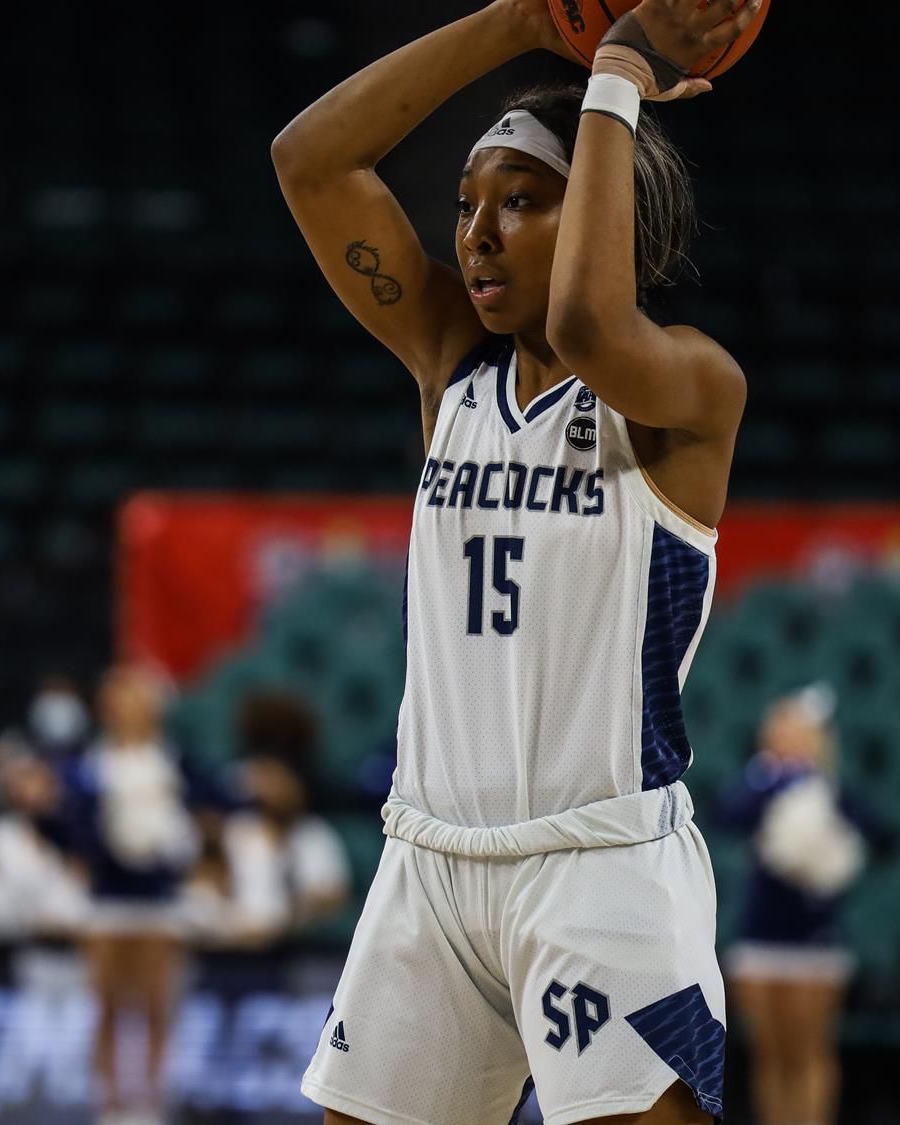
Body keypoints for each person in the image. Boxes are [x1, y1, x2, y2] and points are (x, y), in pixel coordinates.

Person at [273, 1, 758, 1120]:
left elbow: (589, 329)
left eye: (523, 202)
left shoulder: (690, 385)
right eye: (466, 205)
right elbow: (309, 162)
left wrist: (618, 72)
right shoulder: (451, 369)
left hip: (599, 873)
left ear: (603, 217)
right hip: (428, 866)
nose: (477, 234)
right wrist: (518, 19)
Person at [58, 664, 212, 1125]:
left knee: (155, 1007)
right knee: (106, 1006)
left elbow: (203, 818)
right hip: (107, 900)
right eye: (120, 701)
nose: (128, 709)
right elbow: (73, 829)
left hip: (158, 902)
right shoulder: (90, 765)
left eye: (137, 701)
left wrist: (183, 851)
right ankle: (109, 1105)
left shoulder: (174, 762)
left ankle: (149, 1105)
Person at [716, 685, 870, 1125]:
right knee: (770, 1055)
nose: (788, 738)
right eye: (781, 729)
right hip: (761, 936)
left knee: (810, 1052)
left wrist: (813, 788)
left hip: (813, 941)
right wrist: (769, 778)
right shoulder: (761, 783)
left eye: (798, 731)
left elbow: (871, 828)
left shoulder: (830, 788)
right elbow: (727, 814)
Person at [210, 690, 351, 945]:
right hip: (231, 939)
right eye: (264, 779)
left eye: (280, 782)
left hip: (288, 941)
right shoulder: (238, 829)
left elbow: (333, 896)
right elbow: (210, 881)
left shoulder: (314, 835)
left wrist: (295, 912)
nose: (272, 789)